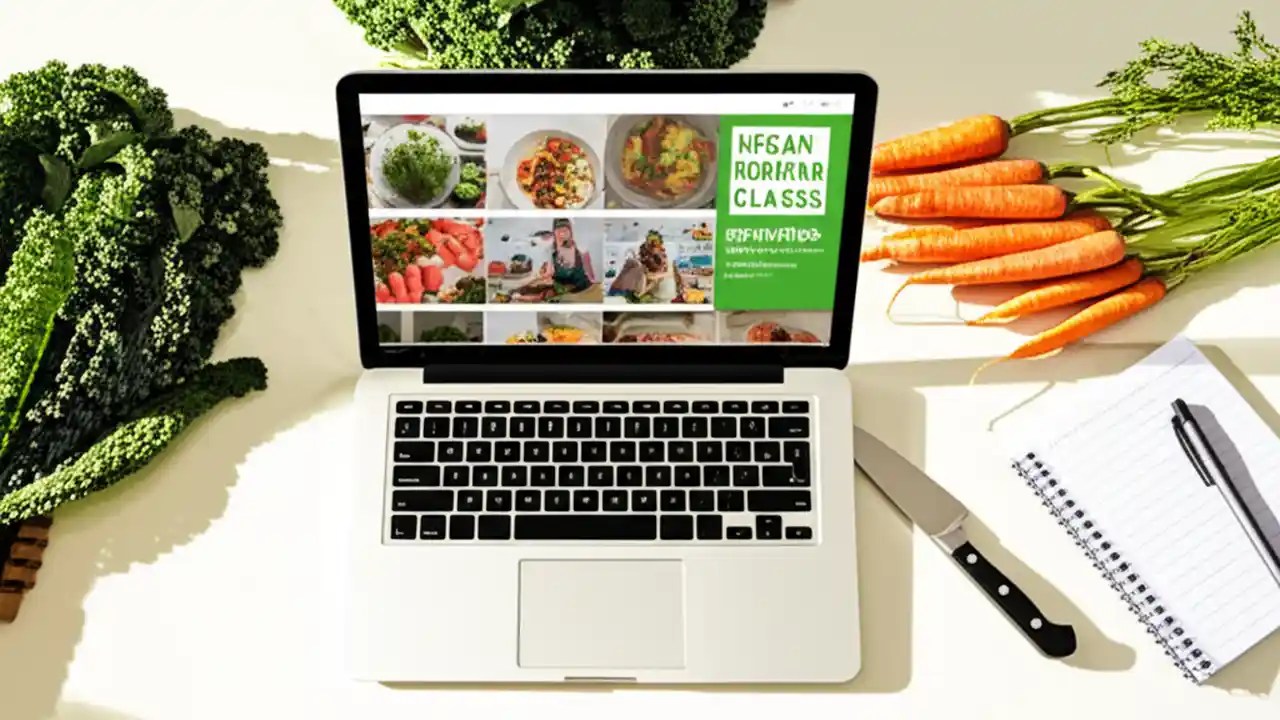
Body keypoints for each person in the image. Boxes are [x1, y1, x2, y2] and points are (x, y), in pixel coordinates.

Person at [537, 218, 594, 293]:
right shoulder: (550, 251)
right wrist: (540, 276)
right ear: (554, 232)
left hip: (582, 290)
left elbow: (591, 277)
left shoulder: (581, 251)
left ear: (570, 232)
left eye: (565, 230)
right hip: (561, 290)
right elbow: (548, 273)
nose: (562, 234)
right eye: (558, 231)